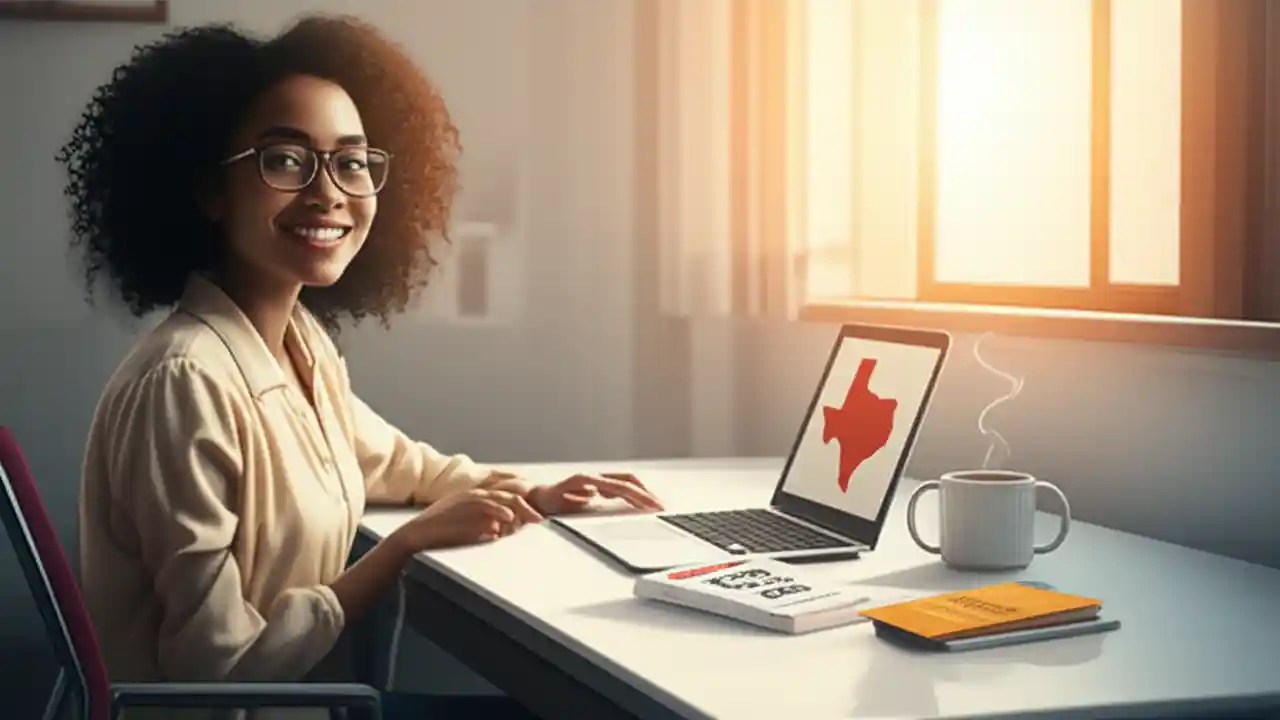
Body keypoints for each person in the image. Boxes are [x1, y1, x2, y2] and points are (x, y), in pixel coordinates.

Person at [59, 14, 663, 720]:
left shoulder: (298, 344)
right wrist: (400, 548)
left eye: (352, 161)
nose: (329, 193)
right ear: (209, 192)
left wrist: (536, 494)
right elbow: (215, 665)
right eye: (285, 160)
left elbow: (401, 466)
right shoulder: (185, 381)